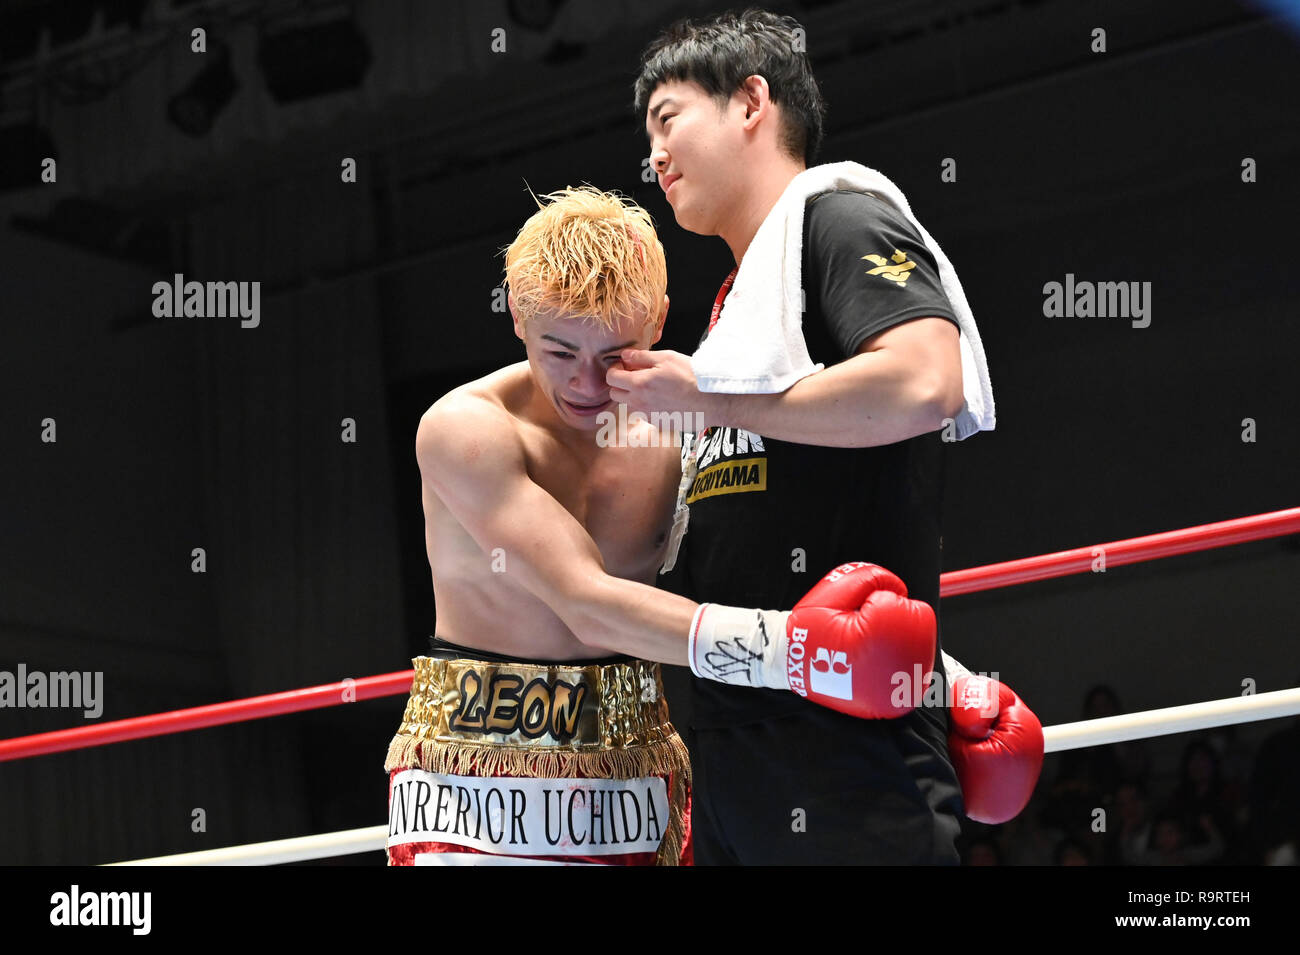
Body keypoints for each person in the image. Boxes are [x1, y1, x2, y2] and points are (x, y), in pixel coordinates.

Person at [384, 184, 949, 866]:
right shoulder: (465, 430)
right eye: (559, 353)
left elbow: (754, 569)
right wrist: (796, 651)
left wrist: (945, 677)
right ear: (518, 321)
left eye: (615, 355)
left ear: (658, 321)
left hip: (635, 768)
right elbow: (586, 601)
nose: (588, 385)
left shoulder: (682, 419)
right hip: (480, 775)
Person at [616, 8, 1040, 862]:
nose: (654, 156)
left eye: (669, 119)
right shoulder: (740, 307)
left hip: (844, 743)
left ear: (749, 102)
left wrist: (709, 399)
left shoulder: (840, 218)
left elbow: (925, 383)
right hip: (737, 745)